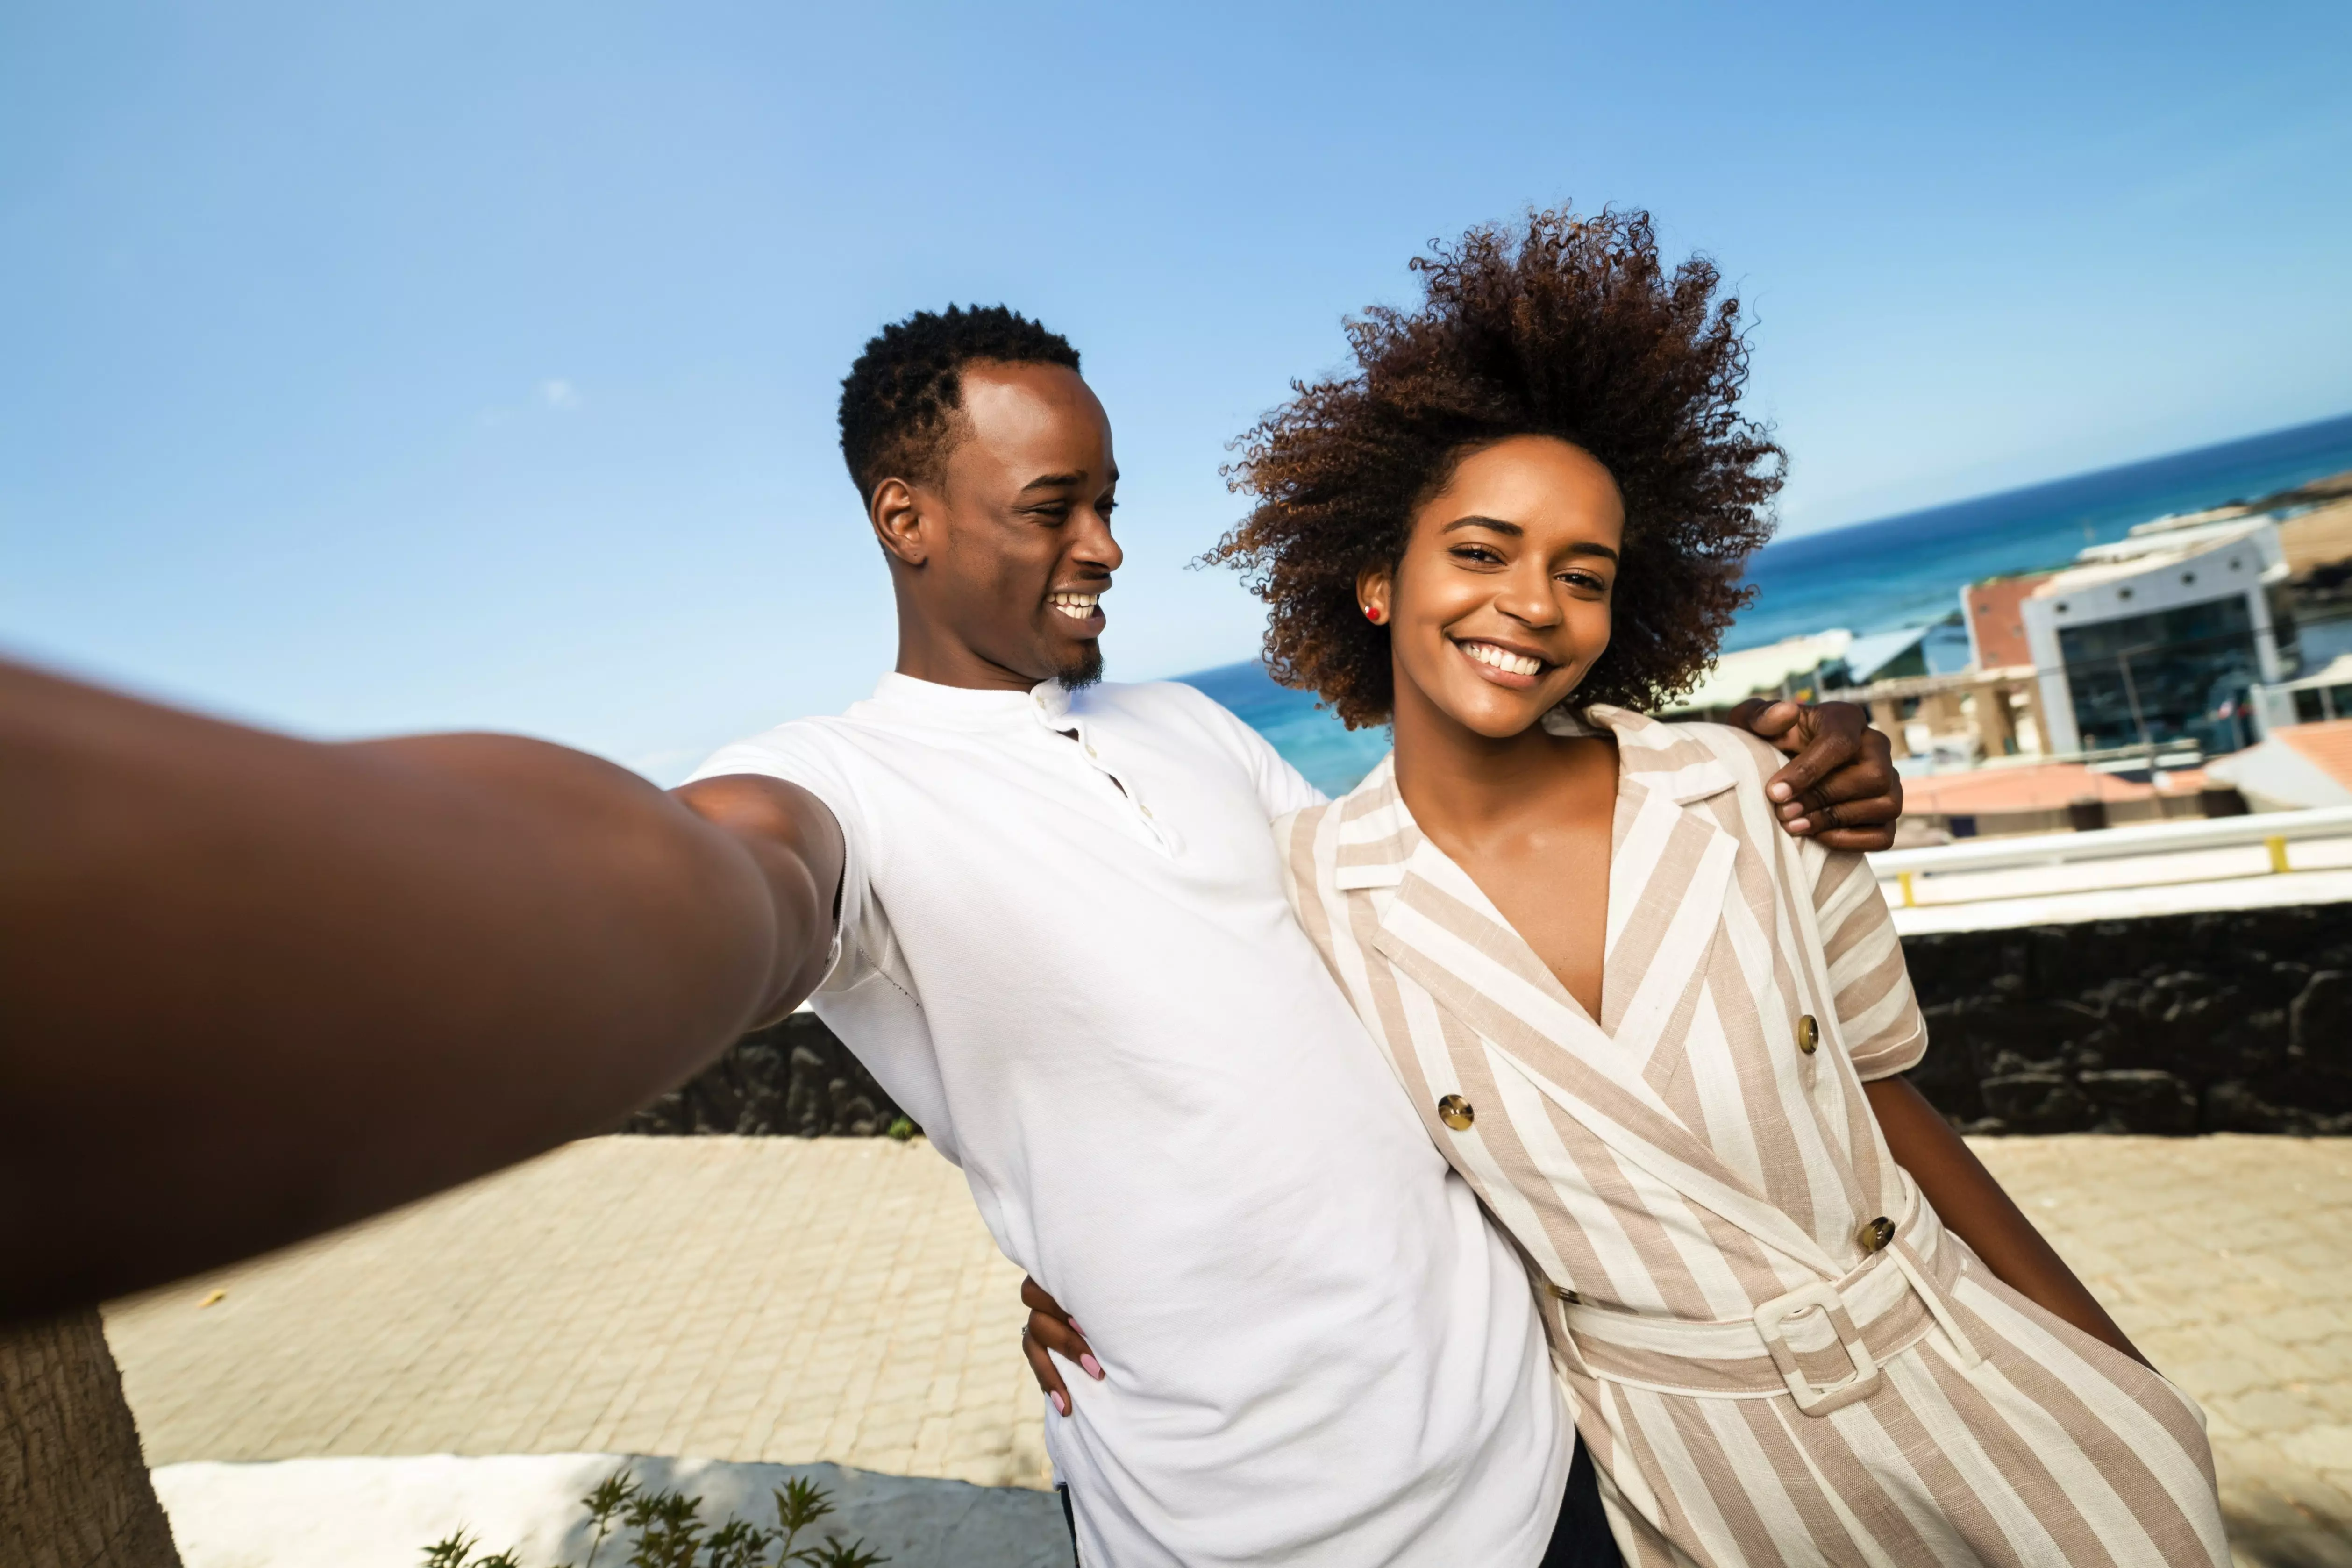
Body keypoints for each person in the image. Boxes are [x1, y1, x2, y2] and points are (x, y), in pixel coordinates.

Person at [2, 305, 1898, 1563]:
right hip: (1246, 1535)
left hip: (1545, 1457)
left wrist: (1747, 765)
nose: (1104, 546)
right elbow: (715, 881)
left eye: (1109, 502)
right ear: (908, 515)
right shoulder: (833, 782)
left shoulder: (1185, 721)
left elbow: (1416, 928)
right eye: (1050, 506)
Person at [1174, 207, 2226, 1565]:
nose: (1533, 603)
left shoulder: (1744, 789)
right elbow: (1245, 1142)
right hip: (1690, 1474)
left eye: (1584, 573)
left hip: (1970, 1386)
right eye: (1481, 551)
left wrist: (2126, 1386)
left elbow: (1891, 1102)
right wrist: (1084, 1279)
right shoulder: (1317, 896)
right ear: (1379, 578)